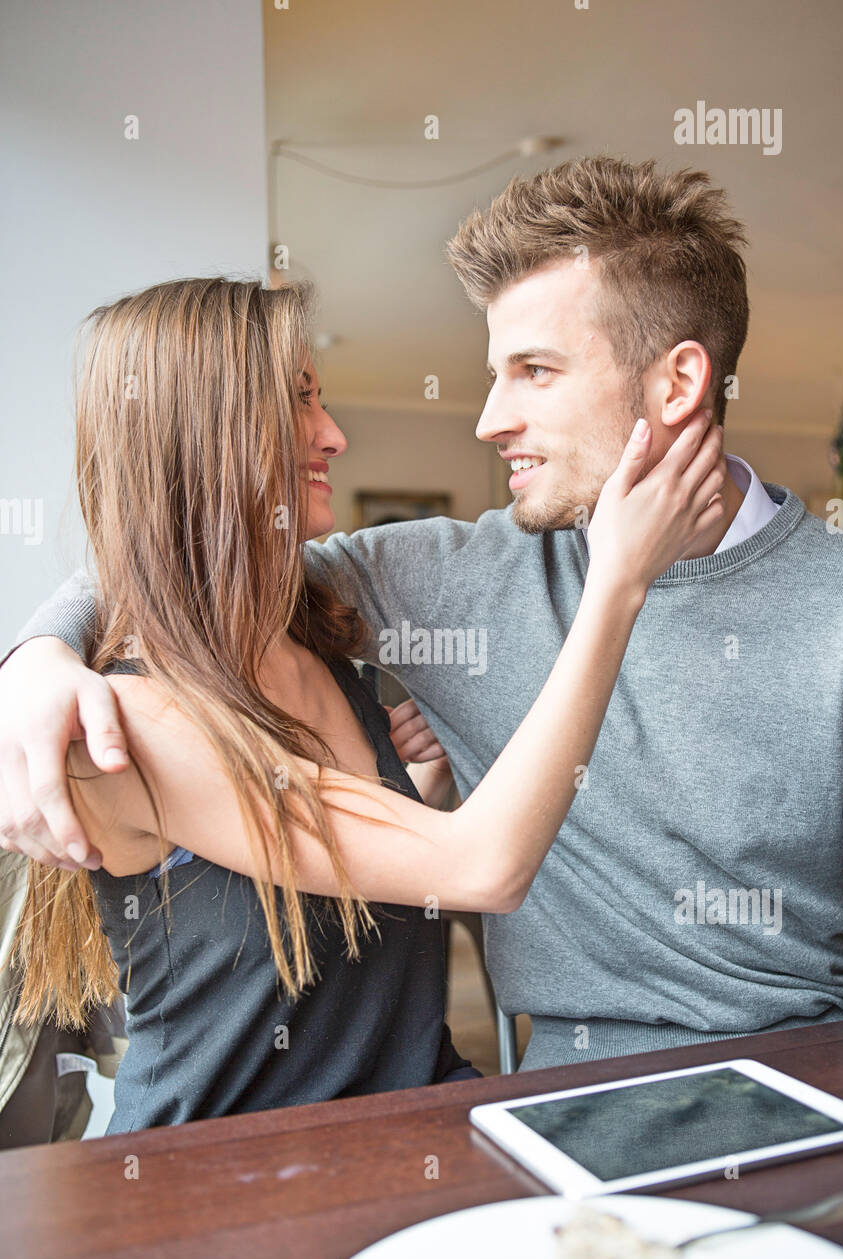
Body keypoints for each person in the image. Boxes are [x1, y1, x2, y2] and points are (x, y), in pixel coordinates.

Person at [4, 157, 843, 1074]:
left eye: (535, 371)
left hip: (811, 1082)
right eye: (494, 373)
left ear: (680, 381)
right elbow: (196, 560)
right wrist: (37, 657)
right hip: (566, 1089)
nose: (490, 420)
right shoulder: (452, 579)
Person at [0, 273, 723, 1131]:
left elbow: (366, 914)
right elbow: (483, 869)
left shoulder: (322, 636)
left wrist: (416, 794)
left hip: (409, 1130)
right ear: (208, 437)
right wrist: (619, 584)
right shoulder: (141, 723)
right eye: (300, 403)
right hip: (222, 1185)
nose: (334, 435)